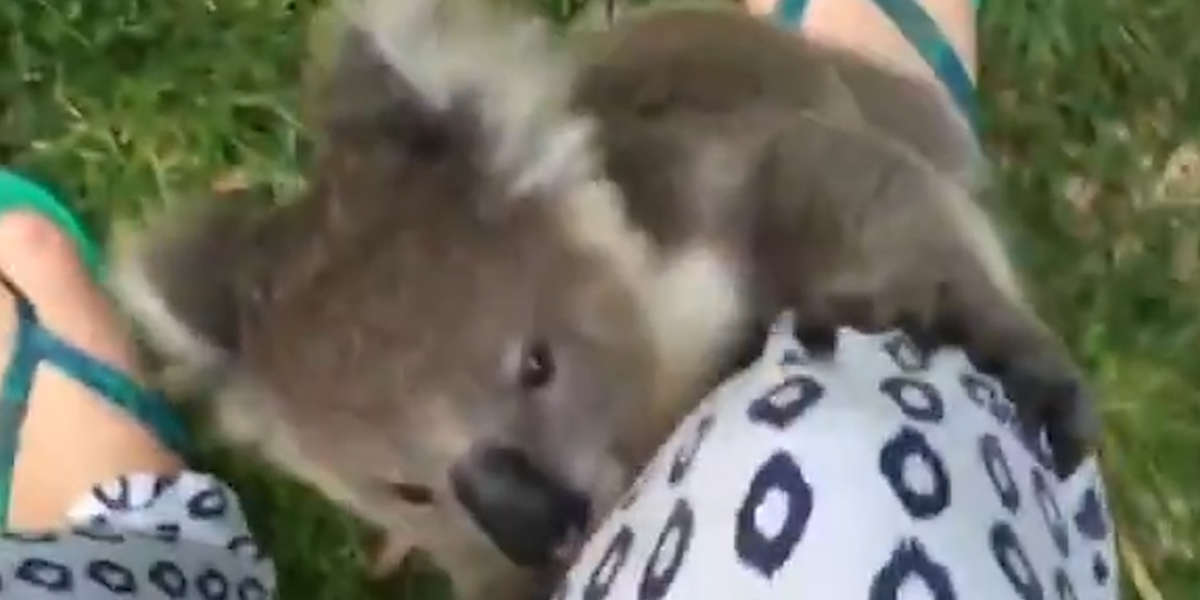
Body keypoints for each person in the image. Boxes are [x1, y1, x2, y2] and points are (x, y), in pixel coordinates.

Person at [0, 0, 1115, 597]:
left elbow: (838, 184)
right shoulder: (495, 510)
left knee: (887, 200)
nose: (512, 516)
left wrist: (967, 318)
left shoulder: (686, 203)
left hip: (778, 182)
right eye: (403, 488)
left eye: (534, 372)